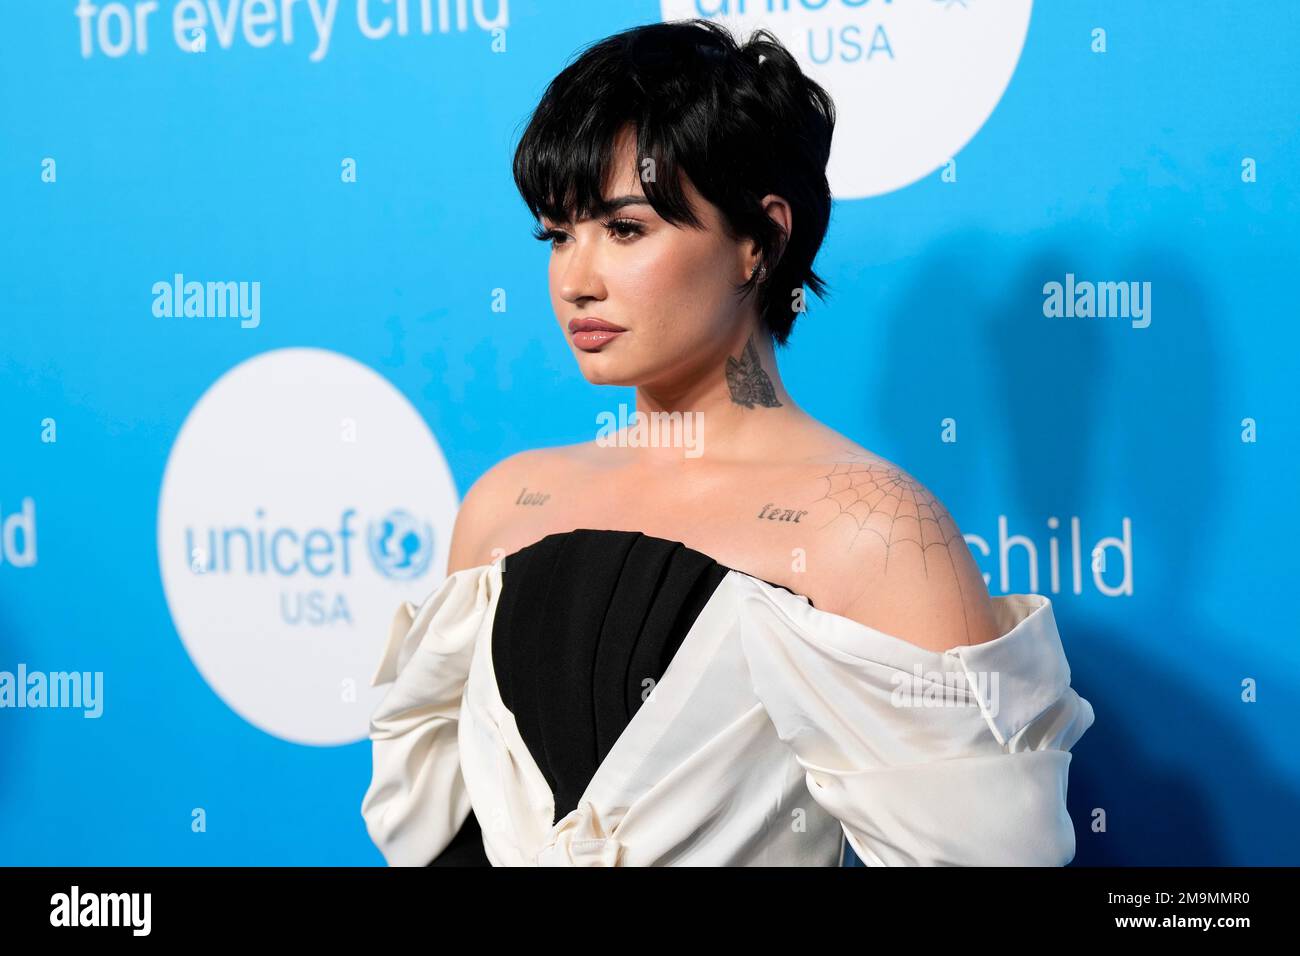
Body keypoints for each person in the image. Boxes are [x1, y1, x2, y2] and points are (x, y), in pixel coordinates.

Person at [361, 18, 1094, 867]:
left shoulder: (873, 531)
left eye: (625, 229)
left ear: (759, 240)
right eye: (559, 234)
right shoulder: (505, 506)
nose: (576, 279)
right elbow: (445, 834)